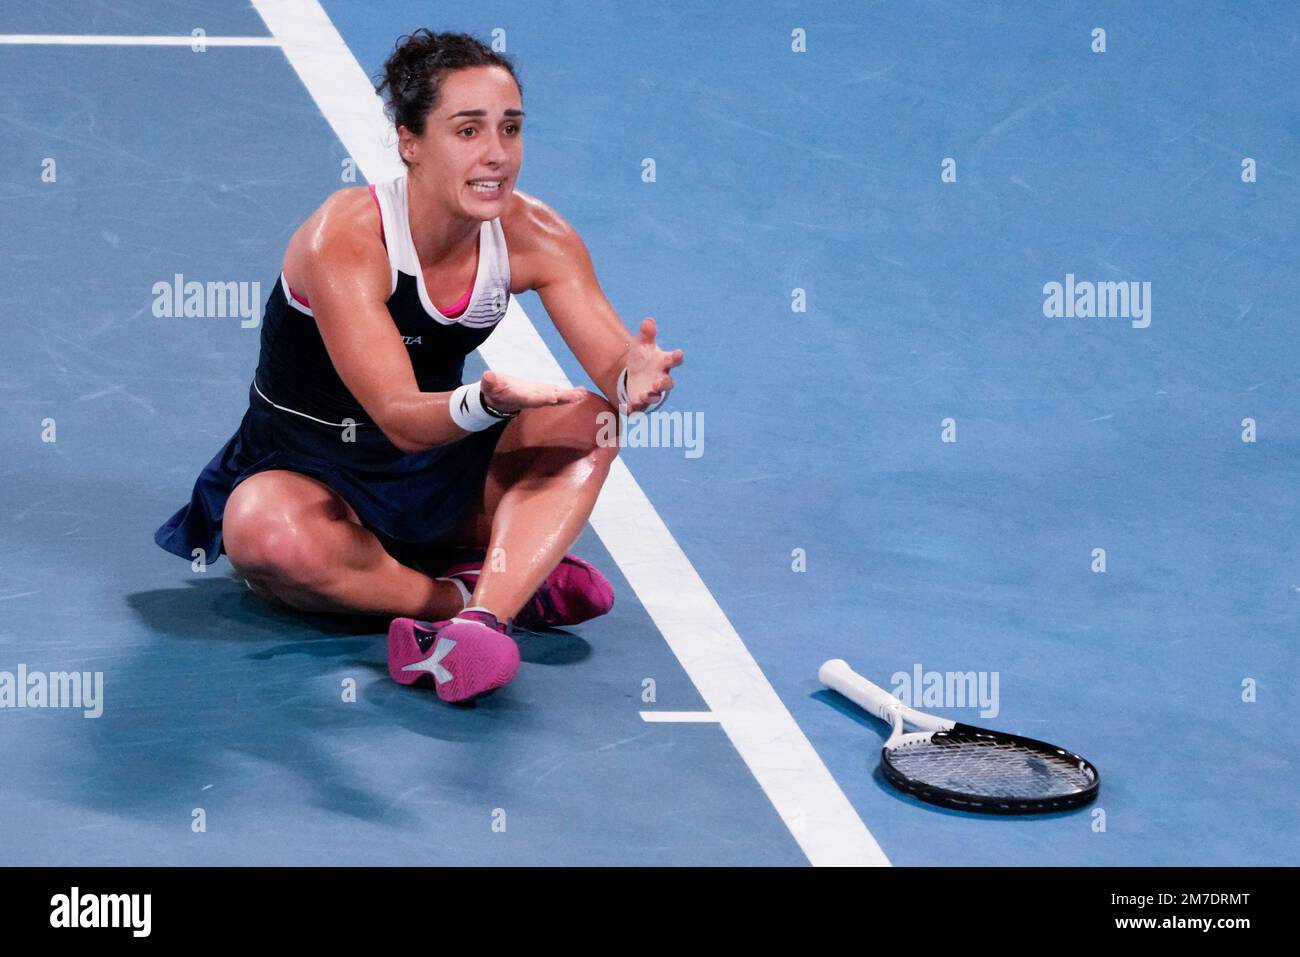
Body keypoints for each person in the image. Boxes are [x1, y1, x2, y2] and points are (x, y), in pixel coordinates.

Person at [155, 30, 683, 704]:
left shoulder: (536, 235)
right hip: (310, 472)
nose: (497, 154)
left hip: (435, 472)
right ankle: (460, 595)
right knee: (263, 531)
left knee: (590, 422)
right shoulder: (345, 238)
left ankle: (479, 624)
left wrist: (635, 378)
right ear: (410, 141)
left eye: (510, 129)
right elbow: (401, 416)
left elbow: (613, 365)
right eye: (467, 130)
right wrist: (487, 403)